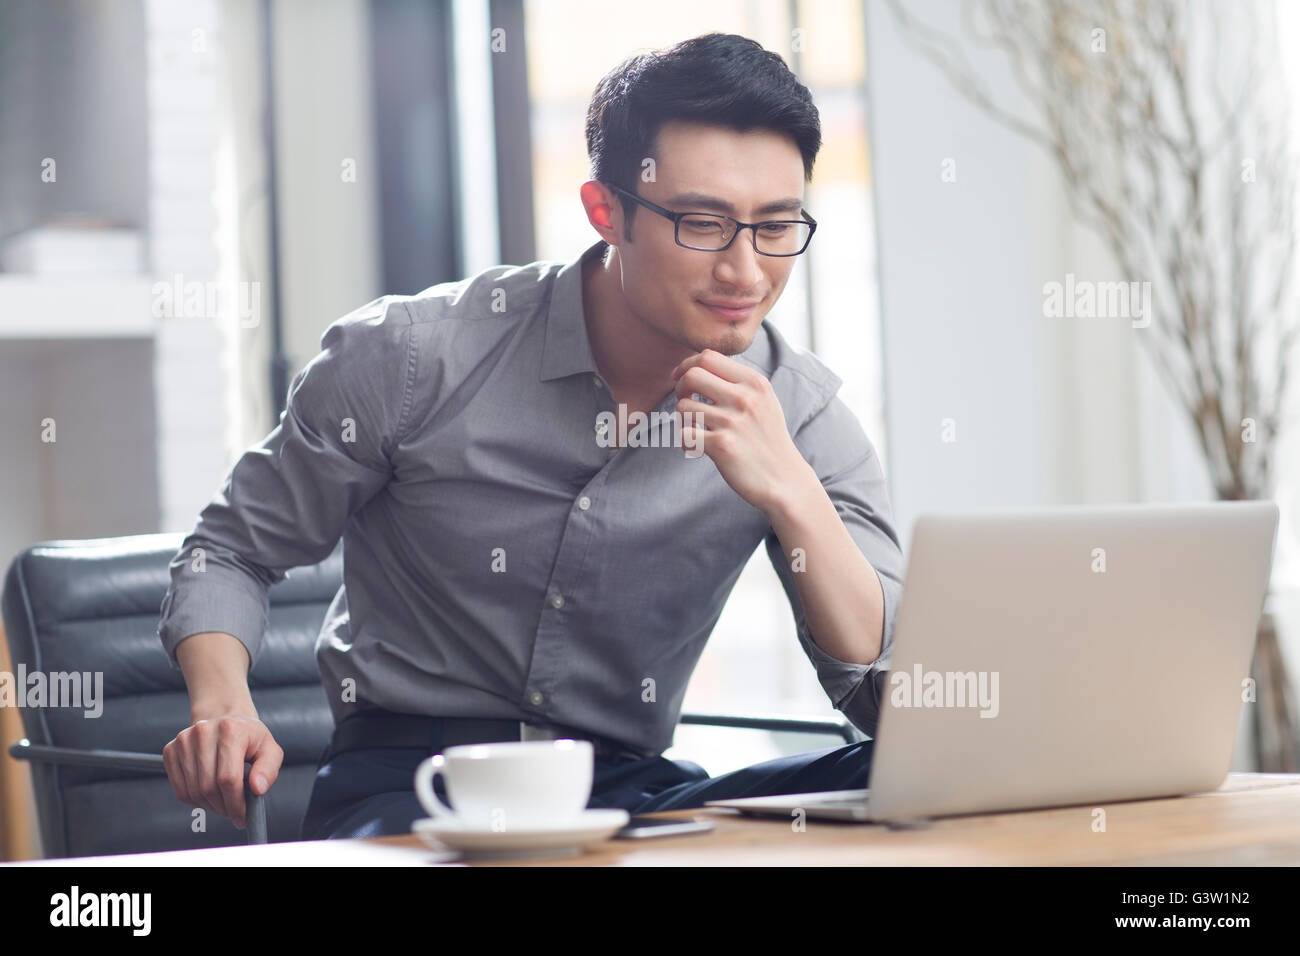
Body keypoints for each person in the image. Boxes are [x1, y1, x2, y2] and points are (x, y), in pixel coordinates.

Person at [157, 31, 905, 840]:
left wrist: (793, 494)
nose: (747, 272)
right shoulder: (413, 356)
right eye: (702, 223)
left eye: (776, 226)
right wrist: (223, 703)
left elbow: (886, 698)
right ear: (606, 211)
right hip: (414, 785)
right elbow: (229, 550)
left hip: (623, 789)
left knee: (898, 784)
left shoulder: (801, 410)